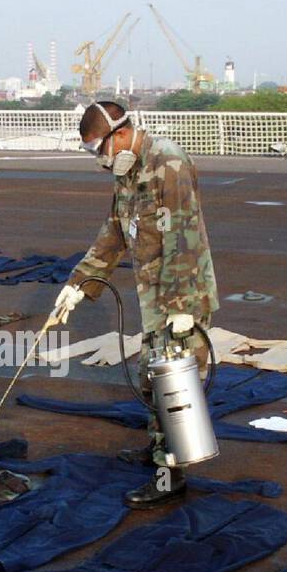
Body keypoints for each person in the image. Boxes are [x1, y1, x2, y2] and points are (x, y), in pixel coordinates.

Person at [53, 101, 219, 509]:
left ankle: (170, 476)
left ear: (121, 134)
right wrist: (79, 283)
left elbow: (183, 236)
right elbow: (113, 231)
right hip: (152, 294)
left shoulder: (170, 164)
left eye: (99, 150)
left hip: (180, 294)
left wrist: (182, 307)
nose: (101, 161)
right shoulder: (127, 171)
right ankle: (158, 451)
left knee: (172, 380)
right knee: (152, 375)